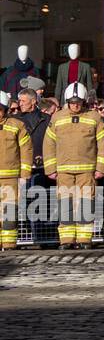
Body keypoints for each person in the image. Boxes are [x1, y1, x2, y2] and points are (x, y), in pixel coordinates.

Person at [43, 83, 104, 249]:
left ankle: (84, 239)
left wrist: (101, 167)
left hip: (87, 171)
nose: (75, 105)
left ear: (84, 100)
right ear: (67, 100)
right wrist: (50, 169)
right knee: (65, 203)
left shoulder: (94, 117)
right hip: (63, 171)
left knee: (86, 204)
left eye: (78, 101)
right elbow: (49, 144)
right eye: (72, 102)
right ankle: (66, 240)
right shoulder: (57, 118)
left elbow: (103, 144)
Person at [0, 93, 33, 250]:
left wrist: (24, 175)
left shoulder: (17, 125)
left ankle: (9, 244)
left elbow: (26, 151)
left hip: (10, 177)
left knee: (9, 212)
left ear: (5, 110)